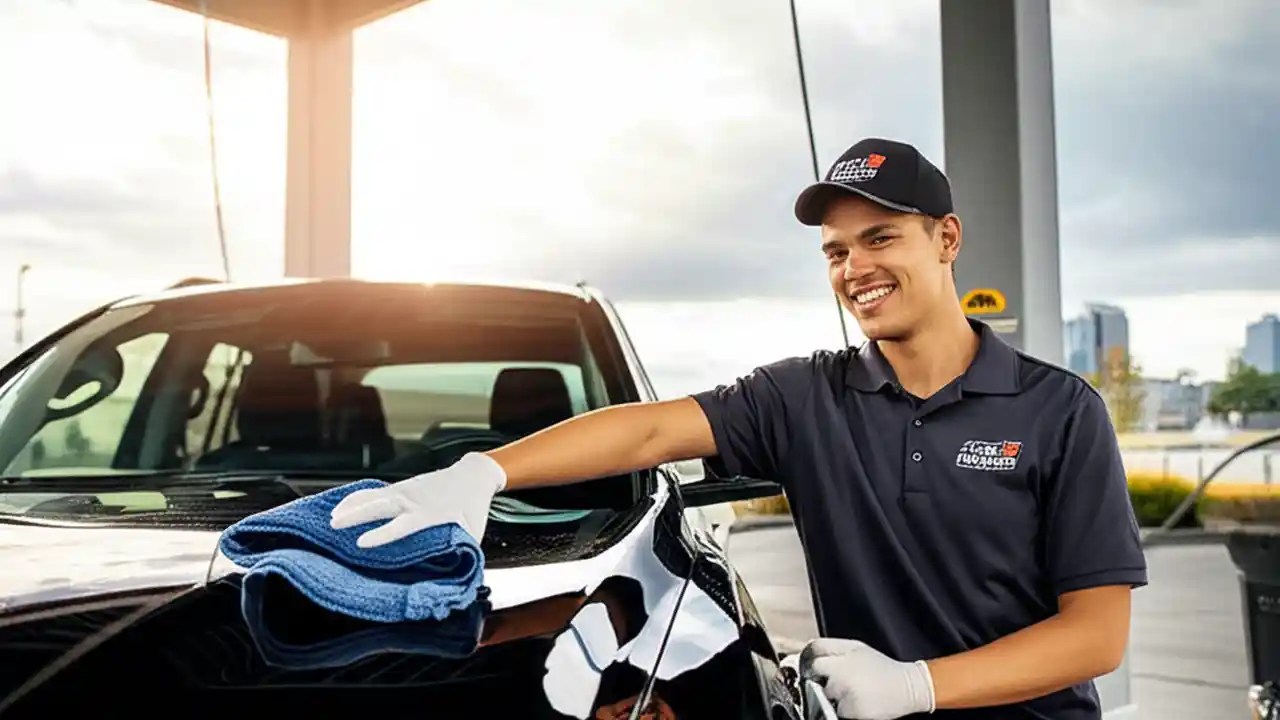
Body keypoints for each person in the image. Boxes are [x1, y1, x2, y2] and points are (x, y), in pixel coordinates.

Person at [330, 138, 1147, 719]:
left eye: (879, 238)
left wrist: (919, 686)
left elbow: (1096, 636)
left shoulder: (1058, 409)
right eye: (835, 252)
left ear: (947, 238)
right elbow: (646, 436)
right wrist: (485, 472)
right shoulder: (803, 398)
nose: (855, 269)